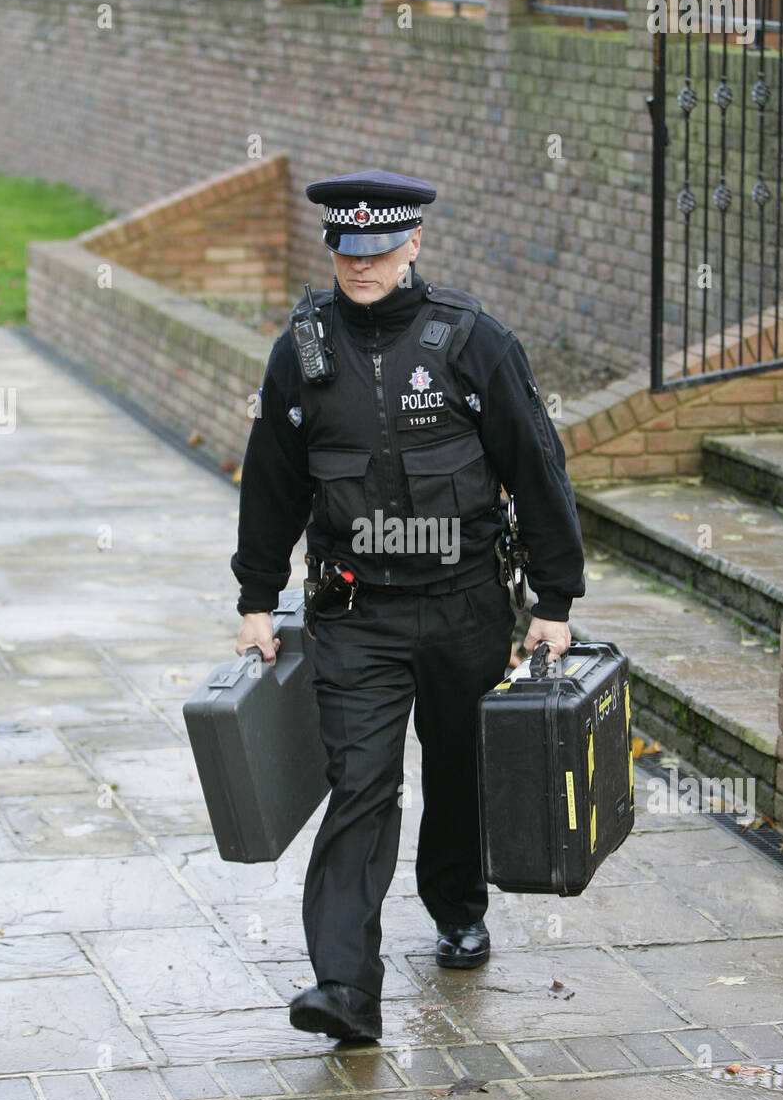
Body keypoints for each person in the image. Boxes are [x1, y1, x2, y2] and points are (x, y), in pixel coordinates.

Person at [232, 170, 585, 1042]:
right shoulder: (303, 352)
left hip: (466, 605)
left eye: (380, 249)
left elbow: (537, 468)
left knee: (459, 767)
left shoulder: (472, 340)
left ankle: (458, 904)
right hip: (356, 614)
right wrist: (254, 596)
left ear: (413, 244)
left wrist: (554, 597)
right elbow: (272, 482)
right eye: (347, 251)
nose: (362, 266)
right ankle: (346, 988)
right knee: (361, 783)